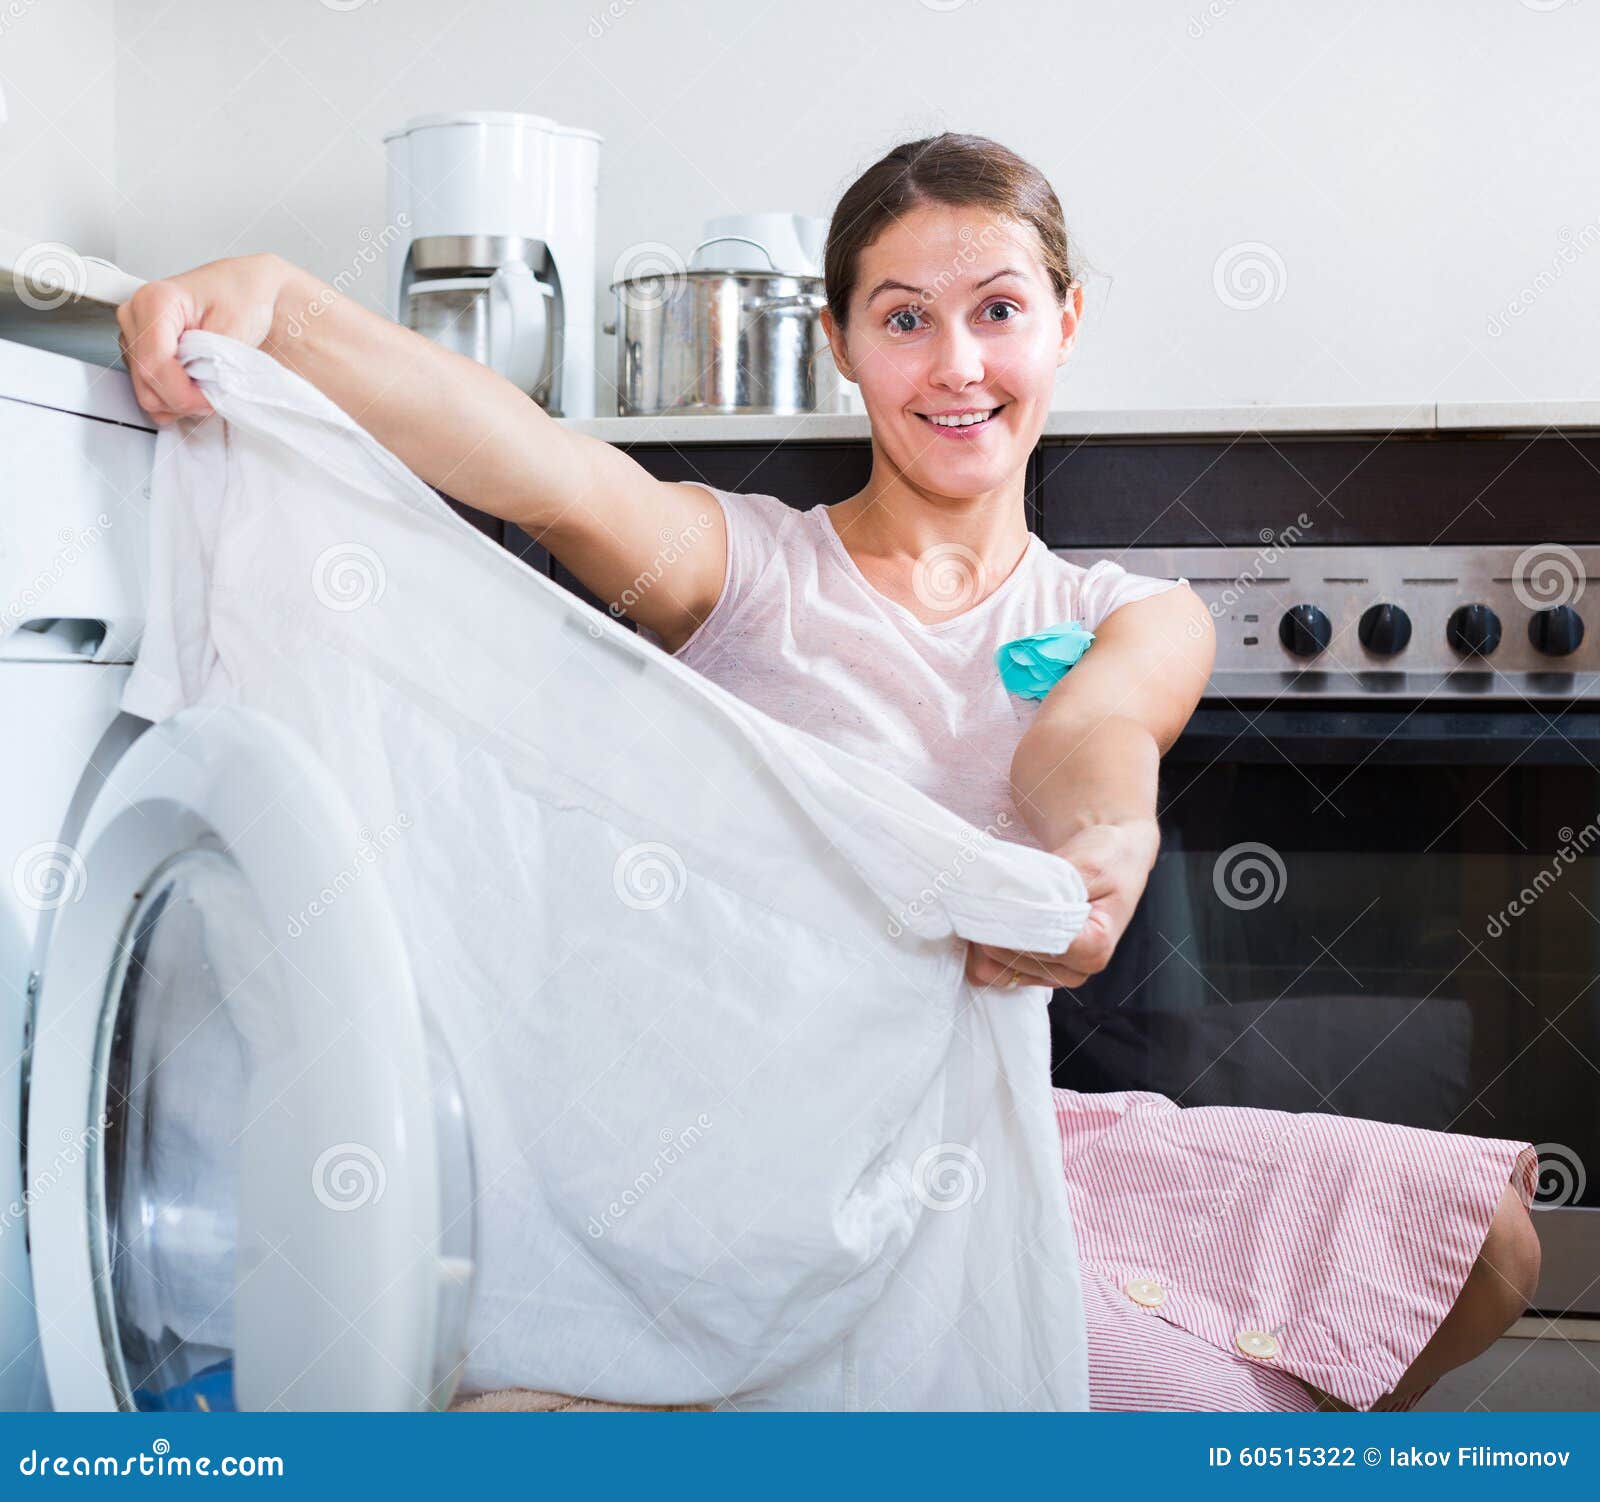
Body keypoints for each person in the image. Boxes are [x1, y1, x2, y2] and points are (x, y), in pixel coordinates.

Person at [117, 131, 1541, 1414]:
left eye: (997, 311)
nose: (959, 365)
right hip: (761, 1173)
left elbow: (1088, 737)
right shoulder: (746, 571)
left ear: (1065, 325)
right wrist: (282, 306)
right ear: (844, 345)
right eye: (905, 320)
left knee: (1484, 1240)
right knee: (1199, 1409)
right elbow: (551, 471)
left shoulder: (1125, 609)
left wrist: (1097, 844)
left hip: (997, 1133)